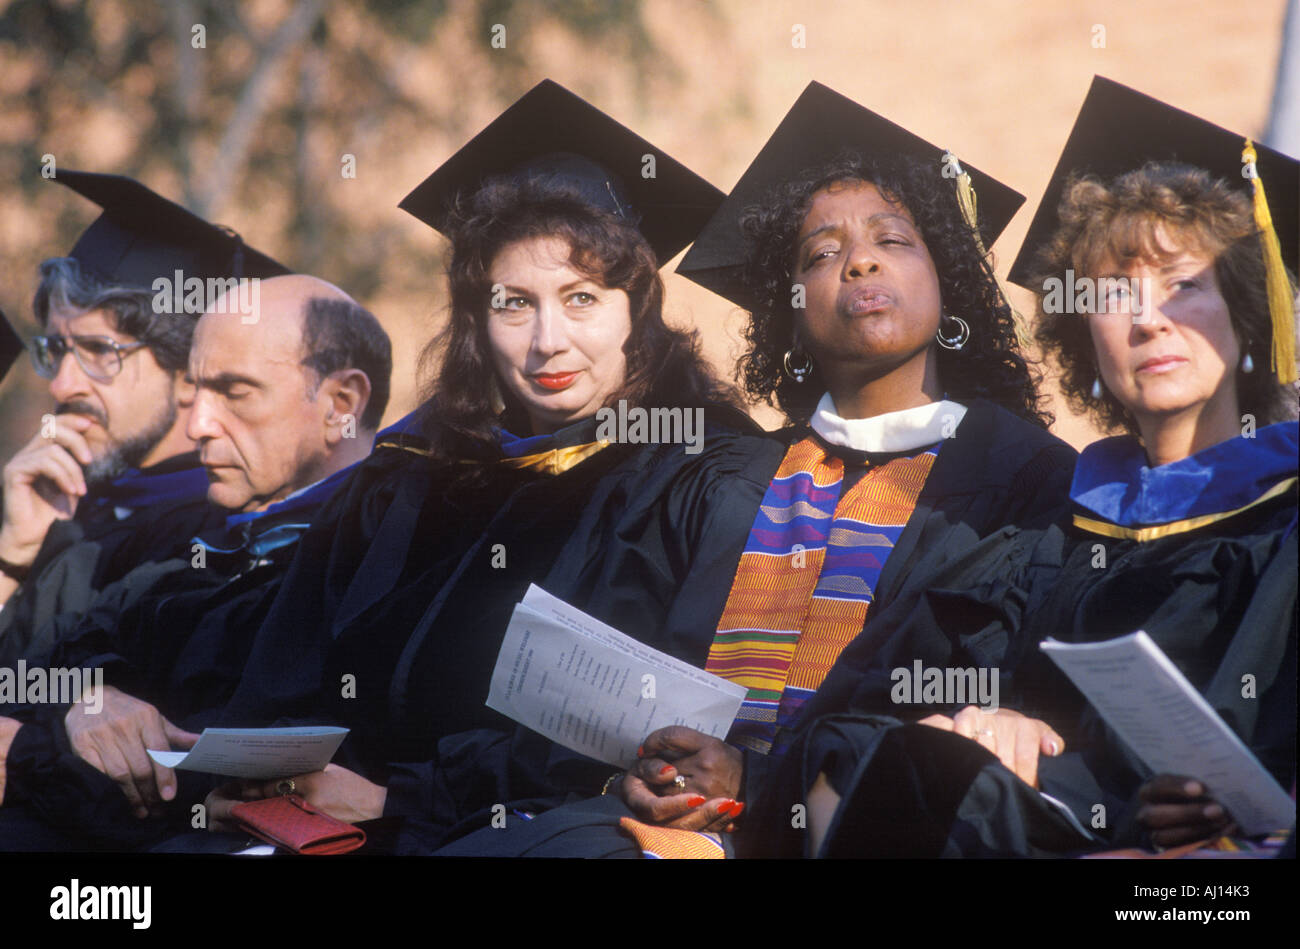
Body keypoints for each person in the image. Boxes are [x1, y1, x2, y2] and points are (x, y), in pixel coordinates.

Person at [431, 81, 1078, 857]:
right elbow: (590, 691)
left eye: (893, 240)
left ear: (949, 278)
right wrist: (638, 773)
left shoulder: (1025, 484)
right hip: (664, 831)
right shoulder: (711, 473)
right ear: (791, 307)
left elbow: (1005, 712)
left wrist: (760, 775)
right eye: (821, 253)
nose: (859, 258)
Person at [188, 80, 773, 851]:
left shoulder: (707, 470)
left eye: (582, 298)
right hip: (324, 819)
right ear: (477, 318)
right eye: (513, 303)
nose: (548, 341)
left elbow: (671, 730)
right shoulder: (412, 469)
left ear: (638, 308)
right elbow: (284, 662)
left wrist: (401, 795)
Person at [754, 77, 1298, 858]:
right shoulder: (1053, 534)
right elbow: (879, 698)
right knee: (868, 756)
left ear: (1247, 316)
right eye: (1115, 293)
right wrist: (987, 717)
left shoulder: (1285, 523)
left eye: (1184, 286)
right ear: (1087, 339)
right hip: (1061, 823)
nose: (1150, 320)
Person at [0, 274, 392, 851]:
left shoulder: (389, 555)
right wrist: (89, 696)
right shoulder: (211, 548)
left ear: (341, 404)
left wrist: (25, 753)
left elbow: (222, 787)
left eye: (233, 391)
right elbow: (46, 659)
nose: (196, 425)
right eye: (198, 391)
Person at [0, 171, 288, 665]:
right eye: (57, 349)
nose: (62, 385)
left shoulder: (222, 544)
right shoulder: (47, 505)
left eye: (98, 351)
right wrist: (13, 555)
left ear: (190, 375)